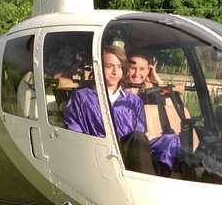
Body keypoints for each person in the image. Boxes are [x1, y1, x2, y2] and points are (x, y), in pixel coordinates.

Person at [63, 45, 154, 174]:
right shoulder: (82, 97)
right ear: (99, 67)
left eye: (119, 67)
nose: (115, 72)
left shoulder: (134, 101)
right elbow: (75, 132)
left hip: (128, 162)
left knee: (139, 138)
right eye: (109, 66)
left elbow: (139, 137)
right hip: (96, 157)